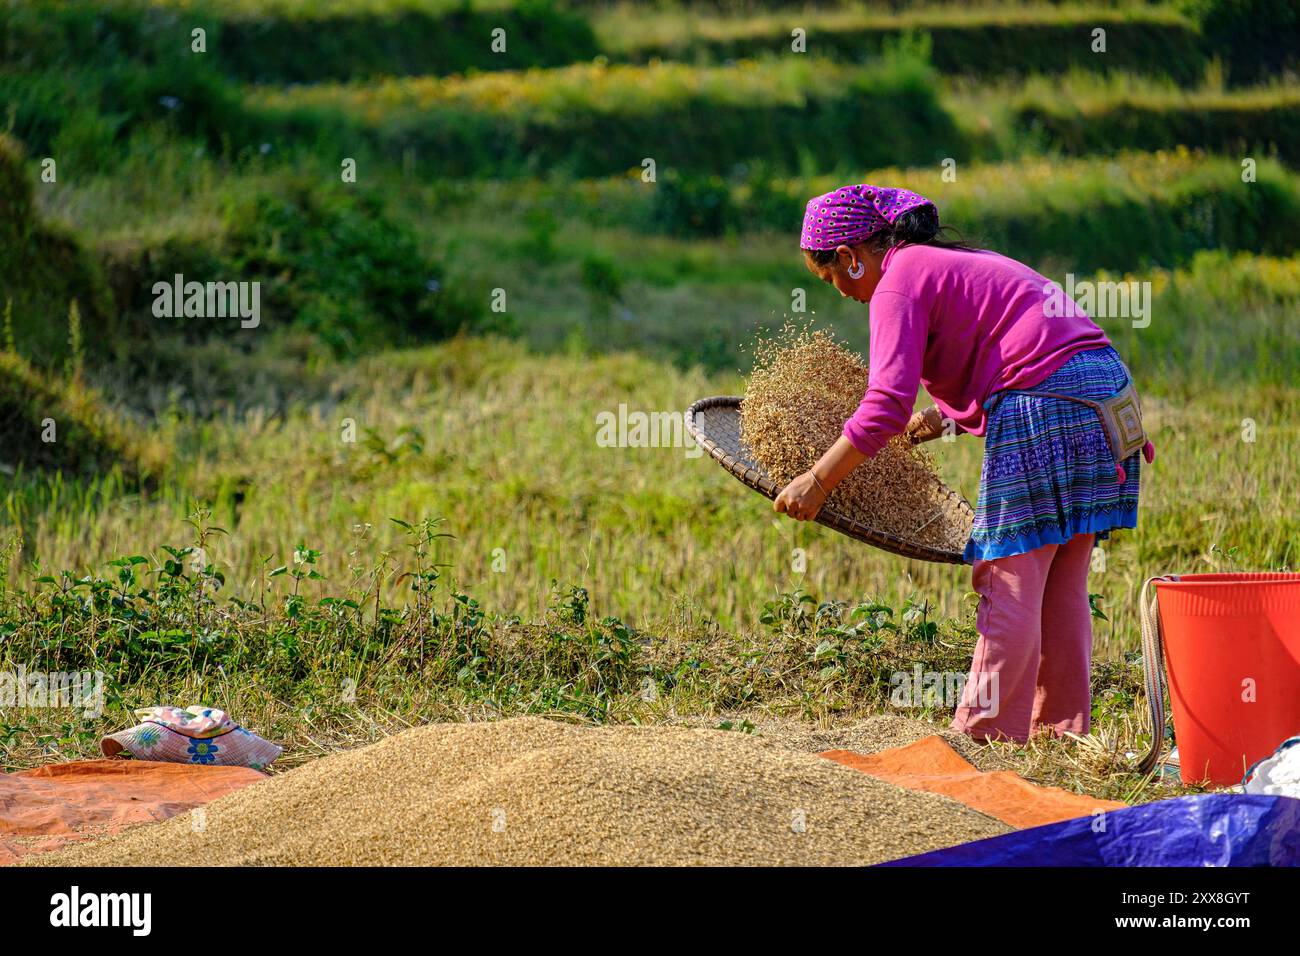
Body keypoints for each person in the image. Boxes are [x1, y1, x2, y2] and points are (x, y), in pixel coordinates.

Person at [774, 183, 1142, 743]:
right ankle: (1061, 737)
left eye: (831, 280)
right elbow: (1009, 342)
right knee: (1060, 579)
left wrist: (818, 480)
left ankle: (981, 740)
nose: (842, 296)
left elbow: (884, 405)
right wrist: (945, 417)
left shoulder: (896, 281)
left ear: (849, 257)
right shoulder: (957, 261)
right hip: (1108, 396)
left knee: (1010, 578)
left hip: (1047, 402)